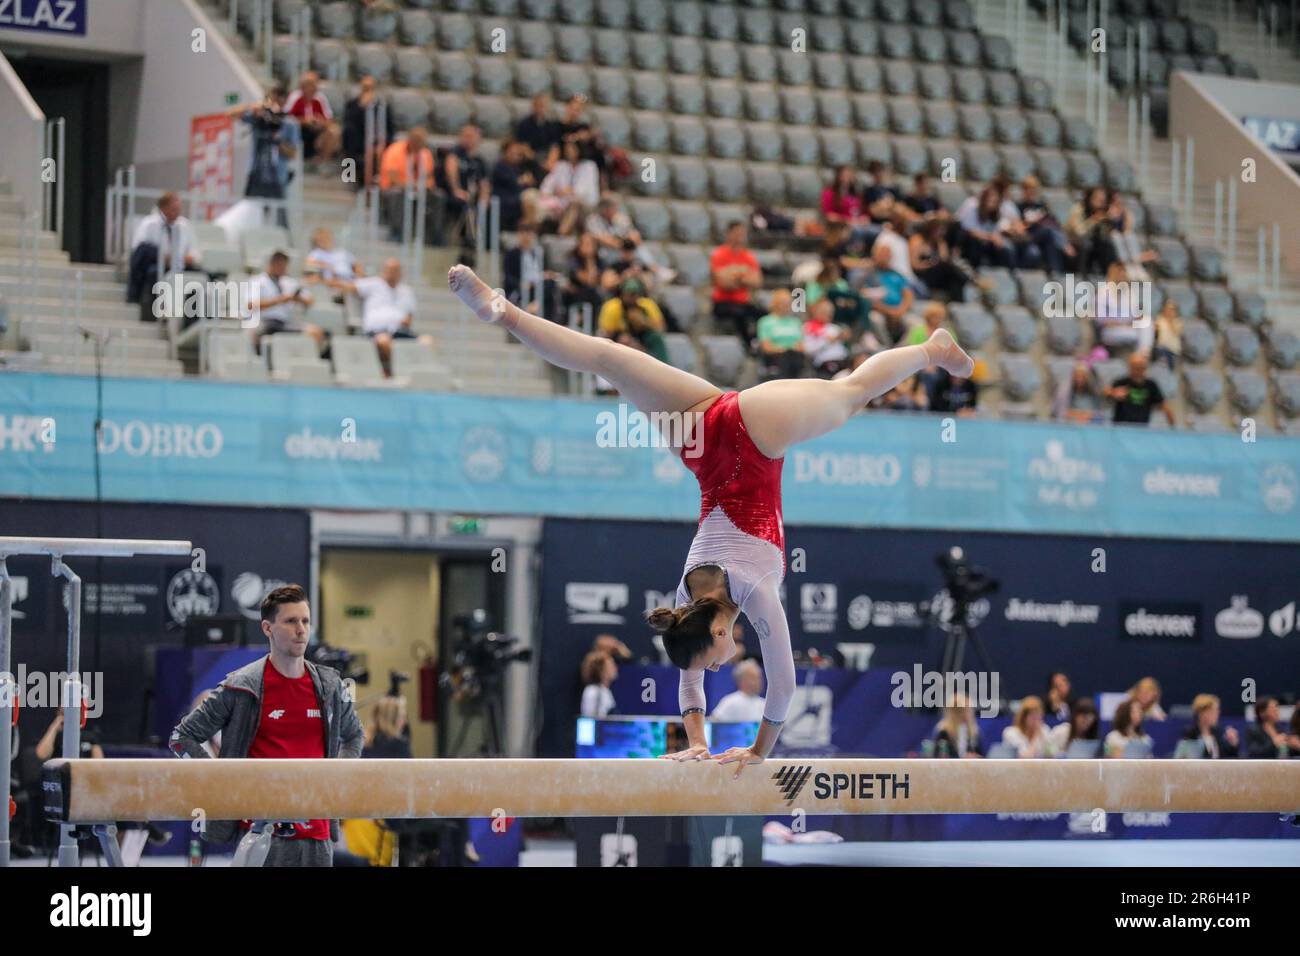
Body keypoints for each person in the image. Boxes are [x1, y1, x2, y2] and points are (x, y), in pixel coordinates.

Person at [447, 263, 974, 770]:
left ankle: (932, 348)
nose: (722, 664)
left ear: (718, 630)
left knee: (853, 392)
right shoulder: (685, 599)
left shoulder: (754, 593)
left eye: (715, 657)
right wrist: (697, 742)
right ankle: (505, 313)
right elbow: (691, 675)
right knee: (607, 358)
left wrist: (757, 753)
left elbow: (782, 685)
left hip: (757, 435)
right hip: (700, 435)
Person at [169, 584, 364, 867]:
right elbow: (181, 737)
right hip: (262, 835)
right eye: (290, 621)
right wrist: (221, 777)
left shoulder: (329, 685)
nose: (301, 629)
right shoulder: (241, 686)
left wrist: (339, 772)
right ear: (267, 628)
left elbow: (355, 734)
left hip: (317, 836)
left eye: (306, 621)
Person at [338, 257, 433, 370]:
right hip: (377, 332)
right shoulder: (373, 284)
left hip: (400, 332)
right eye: (388, 269)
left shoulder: (407, 291)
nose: (390, 273)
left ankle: (423, 374)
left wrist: (405, 321)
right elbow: (348, 287)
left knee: (428, 341)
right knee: (384, 341)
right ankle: (396, 371)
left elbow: (409, 317)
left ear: (400, 273)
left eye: (394, 270)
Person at [228, 85, 301, 206]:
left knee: (278, 216)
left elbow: (292, 154)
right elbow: (230, 115)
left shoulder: (290, 123)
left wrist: (277, 140)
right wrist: (253, 107)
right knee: (249, 210)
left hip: (277, 176)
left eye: (279, 102)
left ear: (285, 102)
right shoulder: (258, 117)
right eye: (273, 101)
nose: (275, 106)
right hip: (255, 172)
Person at [127, 191, 202, 307]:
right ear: (163, 208)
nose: (177, 212)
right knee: (153, 272)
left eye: (178, 209)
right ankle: (150, 308)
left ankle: (193, 317)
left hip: (180, 265)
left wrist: (190, 258)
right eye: (174, 209)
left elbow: (195, 250)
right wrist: (162, 256)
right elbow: (138, 250)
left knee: (203, 276)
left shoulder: (184, 225)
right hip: (158, 264)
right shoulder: (149, 224)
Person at [246, 251, 324, 354]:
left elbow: (310, 300)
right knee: (252, 332)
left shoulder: (289, 282)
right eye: (279, 265)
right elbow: (251, 305)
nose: (281, 268)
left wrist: (296, 299)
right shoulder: (257, 280)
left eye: (284, 266)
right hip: (264, 321)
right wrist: (280, 300)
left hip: (284, 323)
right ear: (272, 264)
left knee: (315, 332)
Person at [710, 220, 764, 346]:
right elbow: (723, 282)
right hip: (723, 302)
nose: (740, 235)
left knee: (764, 315)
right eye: (737, 232)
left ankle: (757, 342)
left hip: (743, 302)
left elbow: (757, 281)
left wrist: (735, 276)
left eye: (742, 233)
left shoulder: (748, 256)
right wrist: (744, 277)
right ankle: (749, 345)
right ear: (729, 234)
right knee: (740, 315)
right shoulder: (719, 254)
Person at [378, 126, 436, 243]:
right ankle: (397, 232)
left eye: (421, 142)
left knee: (439, 197)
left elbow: (429, 177)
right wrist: (411, 185)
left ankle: (435, 236)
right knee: (397, 194)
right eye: (416, 140)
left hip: (418, 189)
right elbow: (392, 177)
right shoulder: (395, 150)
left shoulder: (425, 154)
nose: (418, 144)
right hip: (394, 188)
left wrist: (422, 186)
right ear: (410, 139)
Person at [598, 278, 669, 363]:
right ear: (622, 294)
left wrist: (645, 322)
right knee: (624, 340)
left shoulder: (646, 304)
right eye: (629, 294)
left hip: (642, 337)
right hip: (619, 337)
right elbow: (606, 332)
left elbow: (661, 328)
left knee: (656, 338)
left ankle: (664, 365)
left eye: (635, 294)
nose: (632, 298)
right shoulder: (613, 307)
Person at [539, 138, 600, 235]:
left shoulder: (589, 166)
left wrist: (566, 192)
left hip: (586, 205)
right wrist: (556, 193)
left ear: (579, 149)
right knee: (543, 204)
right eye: (567, 148)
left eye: (572, 148)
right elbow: (546, 187)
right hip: (563, 204)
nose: (569, 151)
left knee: (573, 204)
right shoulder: (561, 166)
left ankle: (561, 233)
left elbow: (581, 192)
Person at [341, 74, 391, 190]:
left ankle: (374, 186)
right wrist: (361, 107)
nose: (367, 91)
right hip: (356, 143)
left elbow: (389, 129)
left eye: (370, 88)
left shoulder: (382, 106)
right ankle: (349, 178)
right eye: (365, 88)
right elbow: (348, 123)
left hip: (375, 143)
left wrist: (381, 144)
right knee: (349, 140)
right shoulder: (352, 104)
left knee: (380, 154)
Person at [284, 70, 340, 167]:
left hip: (315, 132)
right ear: (302, 86)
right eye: (309, 84)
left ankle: (322, 163)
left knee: (334, 131)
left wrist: (321, 122)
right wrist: (305, 121)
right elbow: (285, 119)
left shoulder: (320, 98)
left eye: (314, 84)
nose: (312, 88)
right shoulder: (295, 97)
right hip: (299, 131)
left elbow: (330, 120)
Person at [1106, 352, 1175, 427]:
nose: (1137, 371)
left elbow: (1164, 406)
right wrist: (1113, 393)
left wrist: (1172, 426)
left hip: (1141, 428)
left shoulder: (1151, 385)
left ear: (1144, 368)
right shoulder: (1122, 382)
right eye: (1134, 367)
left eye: (1140, 367)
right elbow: (1106, 392)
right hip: (1121, 426)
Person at [956, 186, 1014, 269]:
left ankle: (1002, 273)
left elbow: (995, 232)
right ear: (984, 198)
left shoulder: (994, 214)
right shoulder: (971, 205)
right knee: (975, 242)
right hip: (965, 241)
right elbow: (970, 231)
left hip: (985, 242)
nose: (992, 203)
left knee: (1005, 248)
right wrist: (990, 237)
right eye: (990, 200)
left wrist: (997, 238)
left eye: (995, 201)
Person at [490, 138, 540, 231]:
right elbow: (513, 184)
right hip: (505, 201)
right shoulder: (500, 167)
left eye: (518, 153)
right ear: (505, 152)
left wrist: (525, 182)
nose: (516, 155)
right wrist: (522, 182)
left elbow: (533, 184)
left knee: (535, 199)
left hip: (518, 199)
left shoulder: (518, 168)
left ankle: (530, 232)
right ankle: (528, 232)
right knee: (529, 200)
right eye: (512, 152)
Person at [1065, 186, 1117, 275]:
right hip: (1074, 244)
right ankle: (1080, 276)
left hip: (1093, 245)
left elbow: (1105, 235)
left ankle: (1108, 276)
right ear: (1089, 198)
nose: (1100, 203)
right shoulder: (1078, 209)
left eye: (1103, 200)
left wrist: (1109, 222)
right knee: (1087, 244)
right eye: (1097, 199)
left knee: (1107, 245)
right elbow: (1080, 232)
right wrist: (1093, 220)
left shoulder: (1103, 213)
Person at [756, 289, 806, 379]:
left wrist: (789, 349)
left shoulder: (796, 322)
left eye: (788, 303)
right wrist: (783, 350)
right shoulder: (765, 322)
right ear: (775, 303)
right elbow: (766, 347)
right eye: (783, 303)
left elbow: (801, 346)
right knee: (784, 358)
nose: (786, 306)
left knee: (794, 357)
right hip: (775, 356)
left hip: (795, 356)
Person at [802, 298, 850, 378]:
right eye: (825, 311)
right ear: (815, 311)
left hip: (843, 362)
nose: (829, 314)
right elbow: (808, 350)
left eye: (830, 312)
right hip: (823, 365)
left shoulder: (835, 328)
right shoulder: (808, 327)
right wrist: (827, 341)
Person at [1181, 693, 1240, 758]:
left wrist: (1233, 743)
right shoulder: (1190, 733)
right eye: (1214, 710)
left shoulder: (1218, 733)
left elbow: (1229, 756)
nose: (1218, 713)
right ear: (1203, 713)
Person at [515, 93, 561, 168]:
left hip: (547, 158)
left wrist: (550, 162)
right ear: (533, 106)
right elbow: (523, 147)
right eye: (538, 105)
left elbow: (555, 147)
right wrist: (539, 162)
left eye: (543, 105)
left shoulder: (552, 125)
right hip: (532, 159)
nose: (541, 108)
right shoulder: (524, 124)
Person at [579, 650, 617, 717]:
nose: (615, 669)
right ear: (601, 670)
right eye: (610, 666)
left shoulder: (605, 691)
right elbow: (594, 719)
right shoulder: (594, 691)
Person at [1151, 298, 1183, 370]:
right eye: (1168, 309)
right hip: (1161, 348)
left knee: (1168, 358)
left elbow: (1176, 332)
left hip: (1173, 349)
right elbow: (1154, 330)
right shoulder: (1160, 319)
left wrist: (1170, 321)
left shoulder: (1178, 322)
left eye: (1172, 309)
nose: (1169, 311)